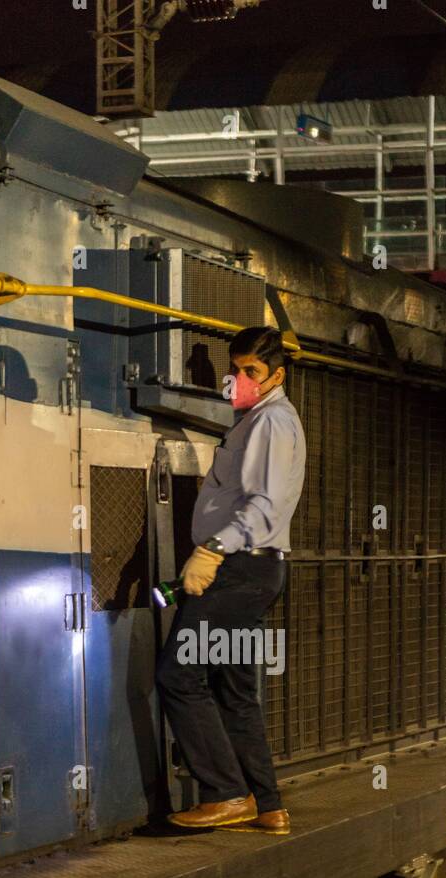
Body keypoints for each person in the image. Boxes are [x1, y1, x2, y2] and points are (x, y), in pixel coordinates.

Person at [156, 325, 306, 834]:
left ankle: (224, 794)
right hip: (249, 568)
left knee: (178, 675)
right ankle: (269, 806)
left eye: (252, 372)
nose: (240, 379)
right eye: (236, 369)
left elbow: (264, 503)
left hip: (239, 567)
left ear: (276, 375)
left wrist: (213, 551)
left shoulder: (271, 422)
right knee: (235, 691)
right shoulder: (256, 420)